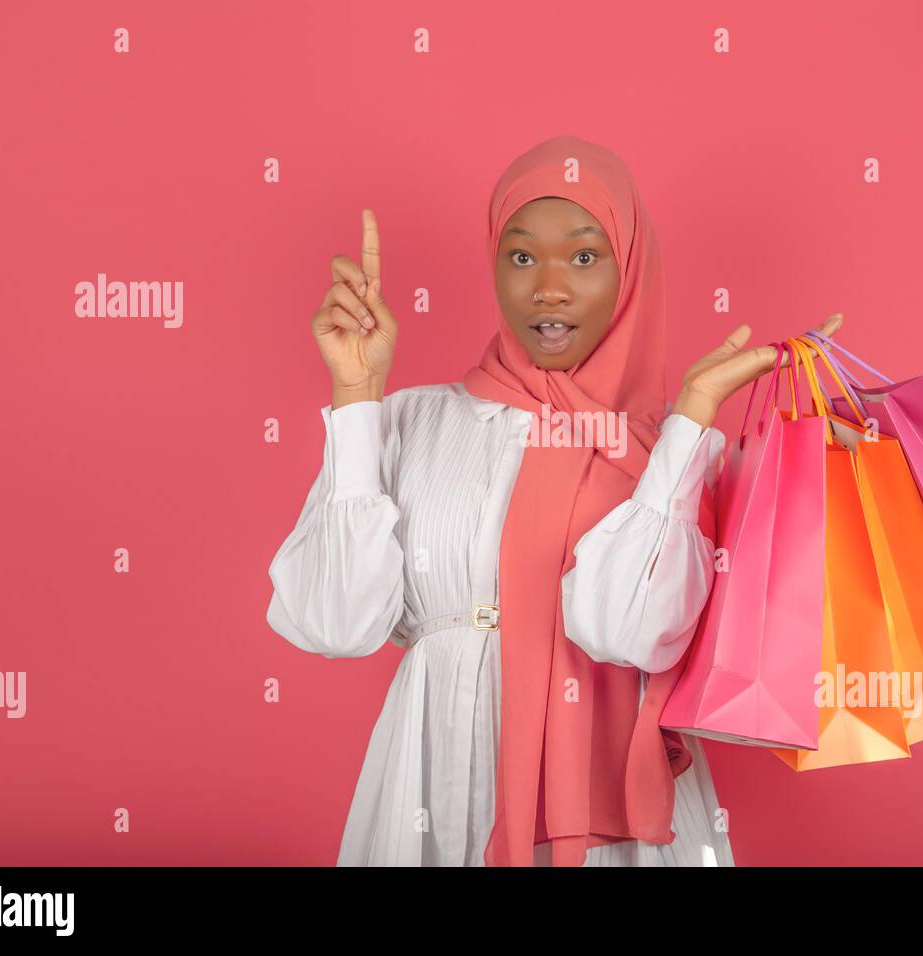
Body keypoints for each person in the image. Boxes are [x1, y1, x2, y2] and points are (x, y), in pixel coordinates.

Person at [266, 134, 842, 866]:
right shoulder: (412, 420)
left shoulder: (675, 450)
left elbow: (624, 632)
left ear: (630, 270)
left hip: (611, 827)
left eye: (583, 255)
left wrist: (691, 417)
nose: (549, 287)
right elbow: (335, 622)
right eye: (520, 255)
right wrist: (355, 396)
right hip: (434, 782)